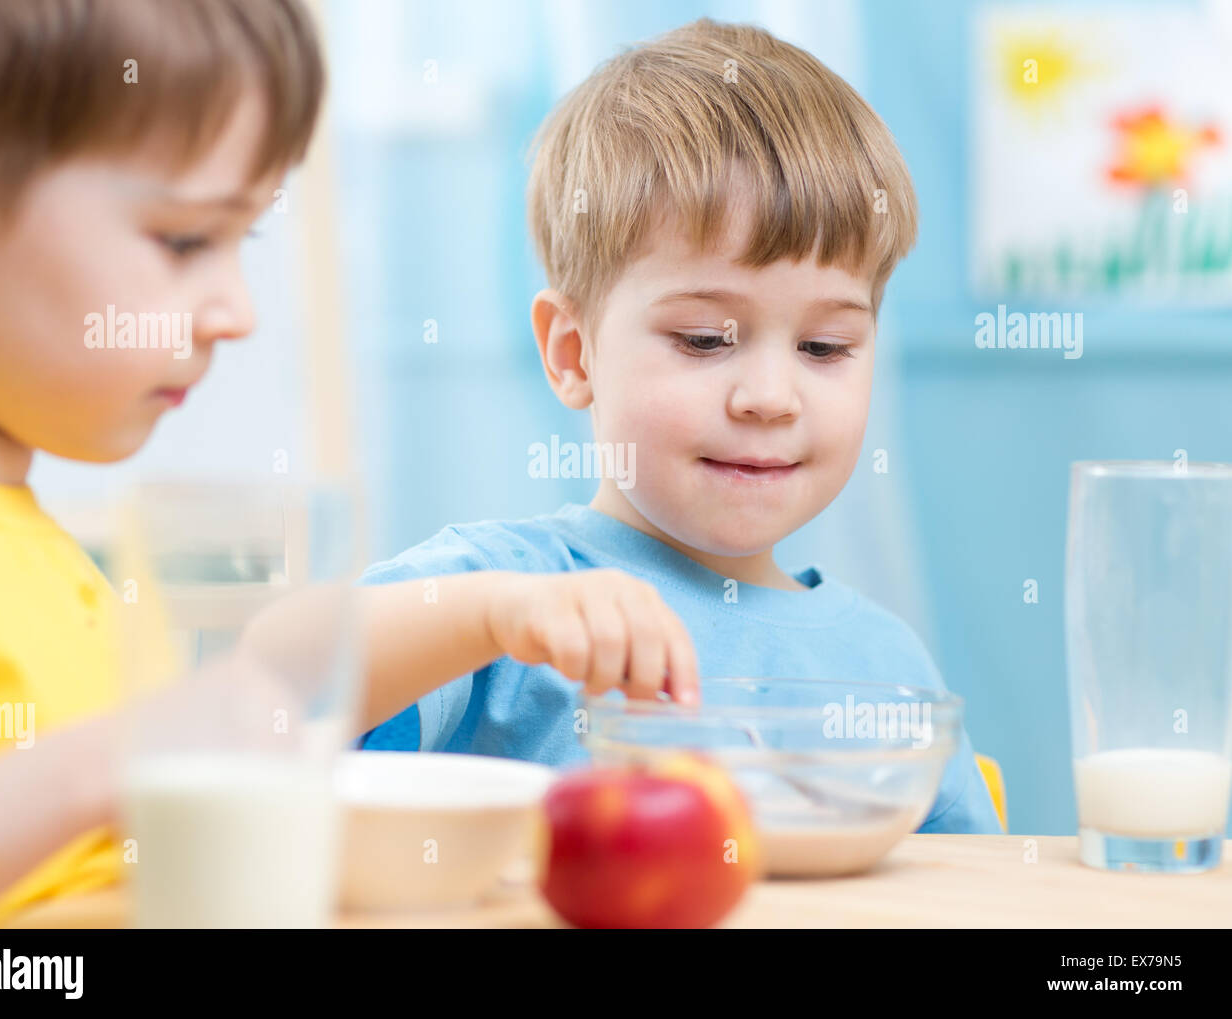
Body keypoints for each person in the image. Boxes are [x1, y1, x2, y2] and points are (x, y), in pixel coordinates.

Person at [354, 18, 1001, 834]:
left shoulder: (889, 667)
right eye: (704, 339)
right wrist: (491, 614)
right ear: (573, 352)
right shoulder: (512, 595)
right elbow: (279, 692)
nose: (770, 395)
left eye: (824, 346)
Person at [0, 0, 326, 927]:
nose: (237, 312)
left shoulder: (19, 533)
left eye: (244, 241)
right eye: (186, 239)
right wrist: (106, 762)